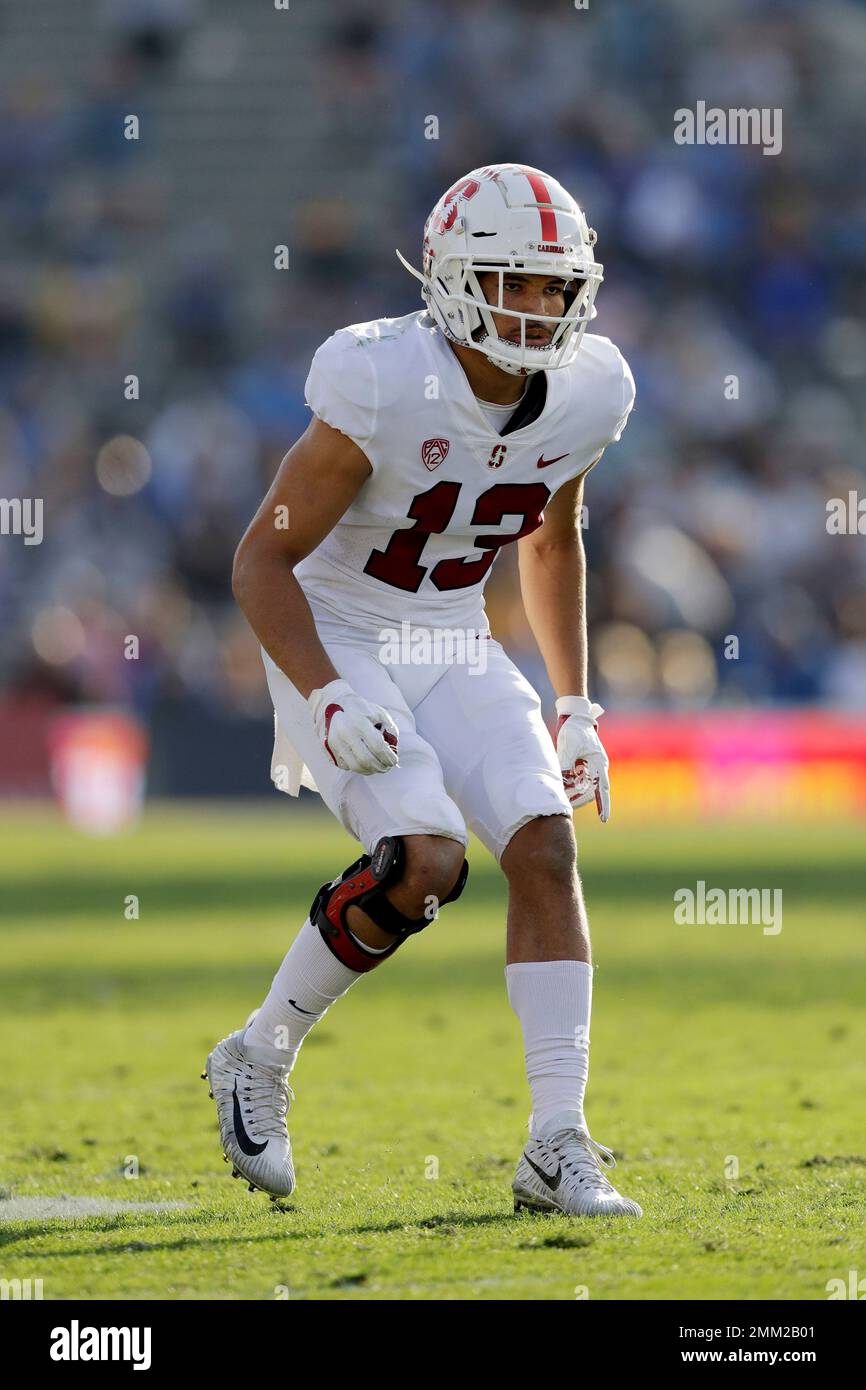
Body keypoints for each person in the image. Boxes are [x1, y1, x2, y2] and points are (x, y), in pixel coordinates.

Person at [203, 163, 641, 1218]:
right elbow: (261, 561)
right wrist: (324, 695)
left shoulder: (591, 387)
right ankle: (259, 1052)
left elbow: (551, 531)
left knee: (543, 842)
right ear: (450, 279)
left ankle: (556, 1138)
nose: (535, 306)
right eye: (510, 280)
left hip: (449, 632)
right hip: (338, 624)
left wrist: (575, 702)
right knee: (427, 865)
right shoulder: (377, 376)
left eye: (551, 285)